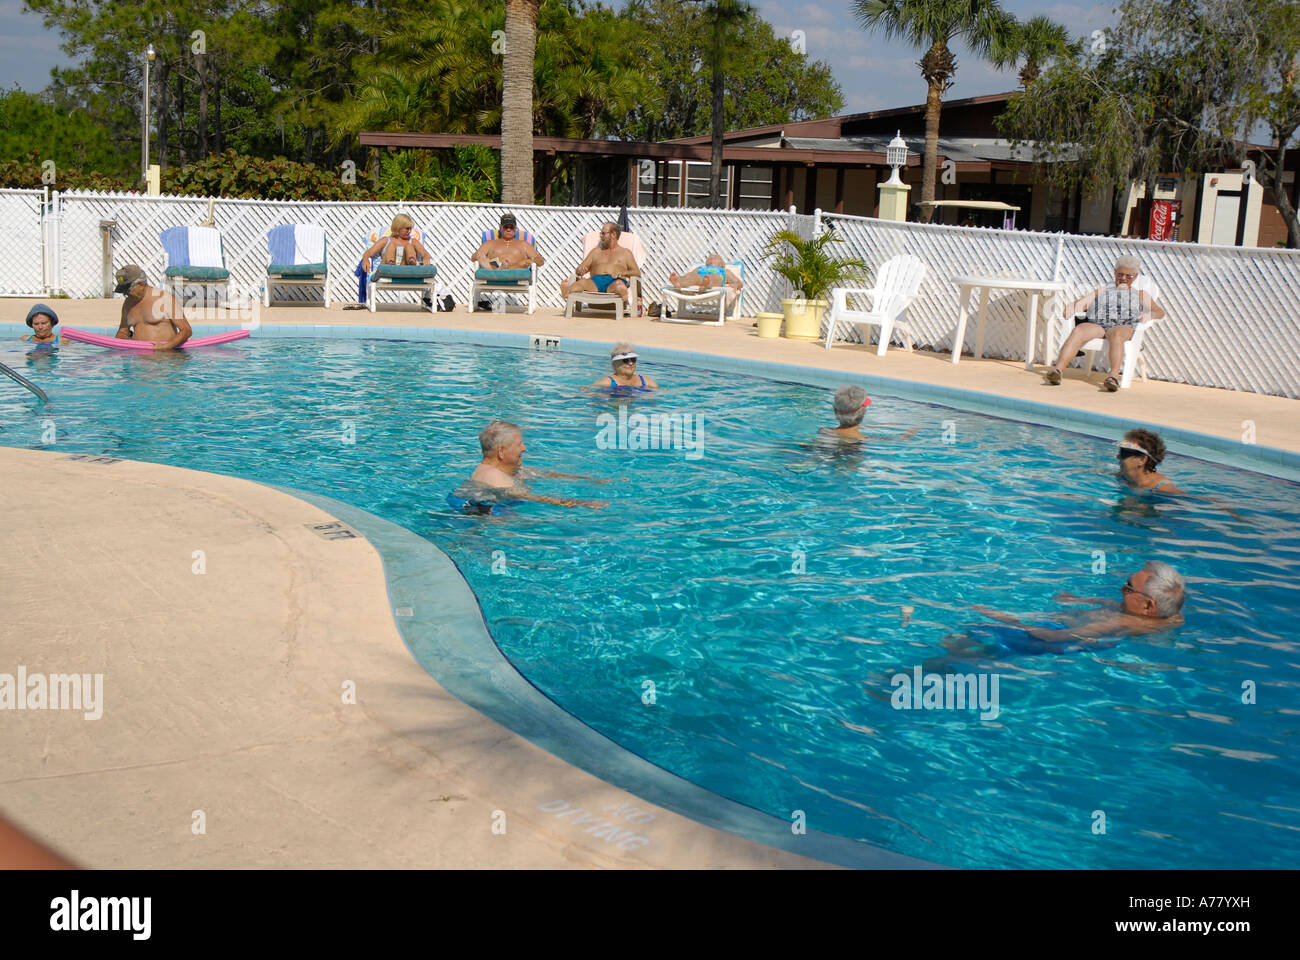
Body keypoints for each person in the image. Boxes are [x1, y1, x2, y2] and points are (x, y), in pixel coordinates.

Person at [954, 561, 1187, 658]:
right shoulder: (1167, 617)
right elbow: (1112, 605)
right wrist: (1079, 599)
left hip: (1054, 639)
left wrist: (1005, 618)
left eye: (1128, 587)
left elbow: (1055, 636)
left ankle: (945, 669)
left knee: (966, 638)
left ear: (1148, 605)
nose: (1121, 589)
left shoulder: (1120, 622)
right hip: (1063, 631)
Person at [1043, 254, 1165, 392]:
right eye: (1120, 274)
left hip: (1124, 327)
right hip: (1100, 326)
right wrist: (1073, 308)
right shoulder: (1103, 290)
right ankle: (1057, 371)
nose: (1123, 278)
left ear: (1135, 277)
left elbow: (1160, 312)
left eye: (1128, 276)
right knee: (1080, 329)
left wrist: (1150, 314)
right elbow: (1080, 304)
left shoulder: (1141, 294)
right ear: (1115, 273)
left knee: (1116, 334)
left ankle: (1113, 377)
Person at [451, 420, 612, 512]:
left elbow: (542, 473)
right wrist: (583, 503)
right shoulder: (495, 478)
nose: (524, 448)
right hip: (487, 521)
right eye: (519, 444)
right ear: (501, 451)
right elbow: (535, 498)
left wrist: (590, 479)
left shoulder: (502, 469)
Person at [560, 222, 640, 306]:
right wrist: (580, 270)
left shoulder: (625, 253)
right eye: (600, 233)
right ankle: (566, 292)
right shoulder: (596, 251)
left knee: (619, 286)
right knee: (582, 283)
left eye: (603, 233)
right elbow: (579, 269)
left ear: (613, 234)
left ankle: (623, 300)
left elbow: (637, 272)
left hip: (614, 282)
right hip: (595, 282)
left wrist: (623, 273)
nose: (600, 236)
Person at [113, 265, 193, 349]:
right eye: (123, 291)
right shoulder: (128, 304)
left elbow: (186, 330)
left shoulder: (165, 299)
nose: (125, 294)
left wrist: (166, 346)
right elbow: (123, 332)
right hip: (138, 359)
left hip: (166, 358)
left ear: (140, 284)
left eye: (127, 290)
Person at [818, 385, 918, 443]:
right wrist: (909, 434)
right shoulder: (864, 439)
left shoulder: (824, 431)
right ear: (862, 413)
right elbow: (900, 440)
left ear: (835, 410)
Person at [1116, 429, 1184, 494]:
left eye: (1123, 453)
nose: (1117, 456)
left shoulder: (1161, 488)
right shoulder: (1124, 476)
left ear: (1142, 460)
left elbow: (1188, 499)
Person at [469, 213, 545, 271]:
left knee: (521, 263)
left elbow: (540, 261)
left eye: (511, 227)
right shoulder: (490, 243)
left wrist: (525, 262)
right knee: (481, 256)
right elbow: (474, 257)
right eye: (506, 227)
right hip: (493, 270)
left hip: (516, 271)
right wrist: (488, 260)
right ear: (500, 228)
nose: (508, 229)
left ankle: (504, 268)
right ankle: (497, 268)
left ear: (515, 229)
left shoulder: (524, 244)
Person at [357, 213, 432, 271]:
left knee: (409, 246)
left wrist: (426, 258)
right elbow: (368, 252)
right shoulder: (386, 240)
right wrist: (366, 260)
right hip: (386, 268)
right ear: (398, 227)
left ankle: (412, 261)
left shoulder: (413, 241)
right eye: (407, 228)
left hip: (404, 267)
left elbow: (426, 254)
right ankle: (391, 262)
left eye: (410, 228)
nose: (409, 231)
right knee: (391, 245)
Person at [587, 343, 659, 391]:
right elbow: (586, 390)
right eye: (625, 360)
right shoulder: (608, 382)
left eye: (633, 359)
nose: (631, 363)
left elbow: (662, 393)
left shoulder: (644, 381)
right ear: (615, 363)